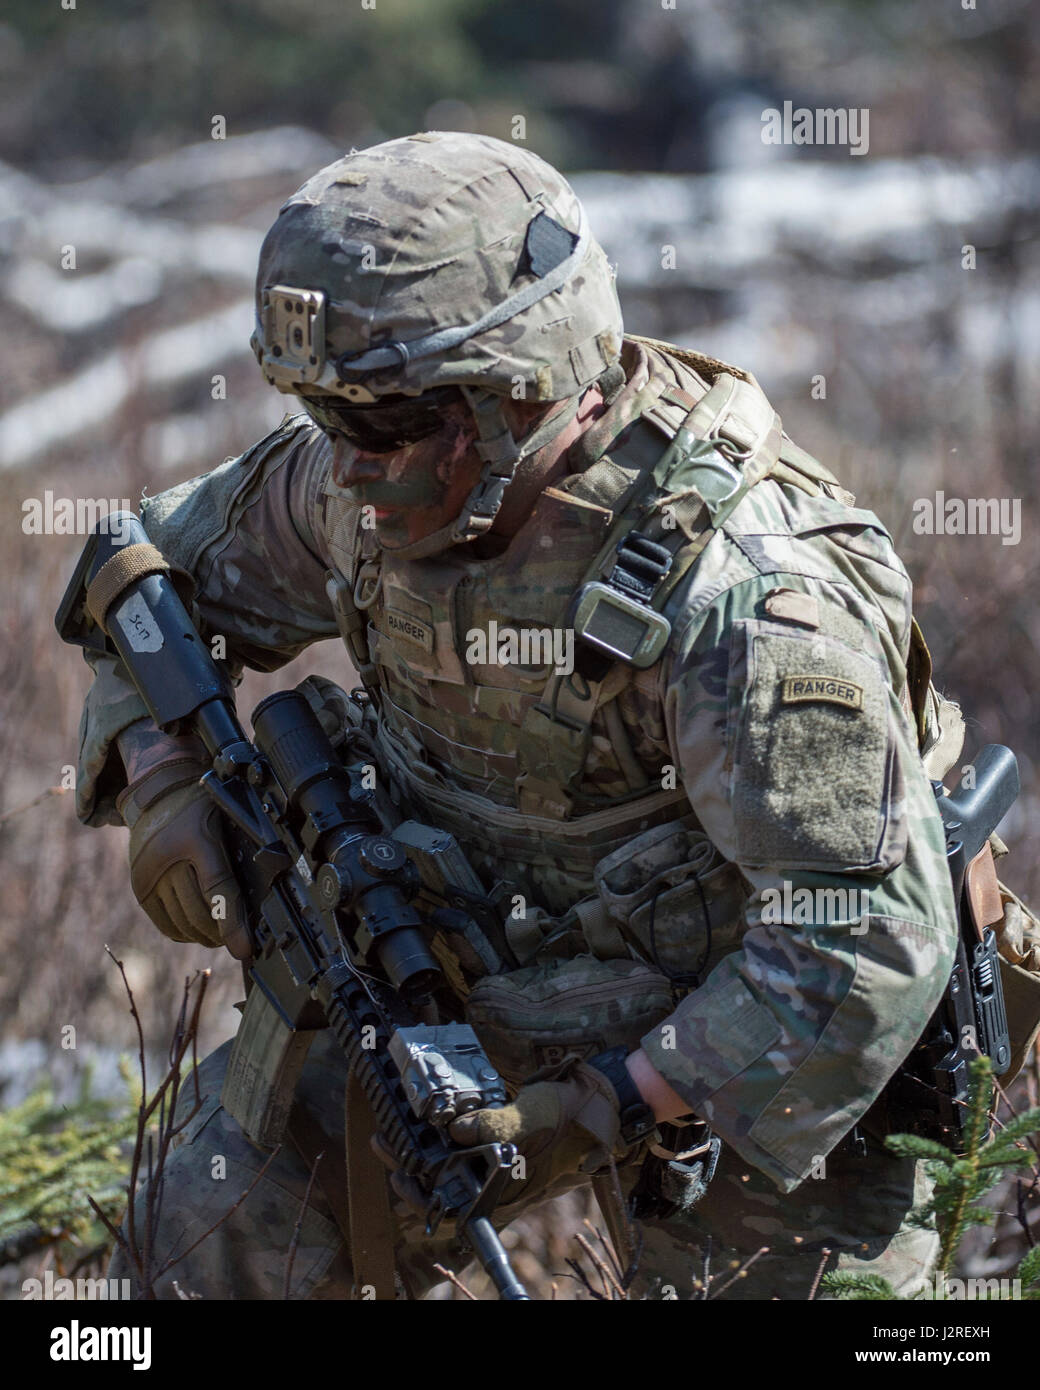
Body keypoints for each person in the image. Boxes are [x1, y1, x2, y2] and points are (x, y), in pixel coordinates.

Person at [75, 131, 964, 1300]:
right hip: (453, 980)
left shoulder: (743, 602)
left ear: (520, 391)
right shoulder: (367, 480)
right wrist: (161, 779)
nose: (342, 469)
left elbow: (857, 935)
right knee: (193, 1248)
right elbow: (140, 574)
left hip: (753, 1030)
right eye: (320, 414)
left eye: (385, 424)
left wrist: (610, 1104)